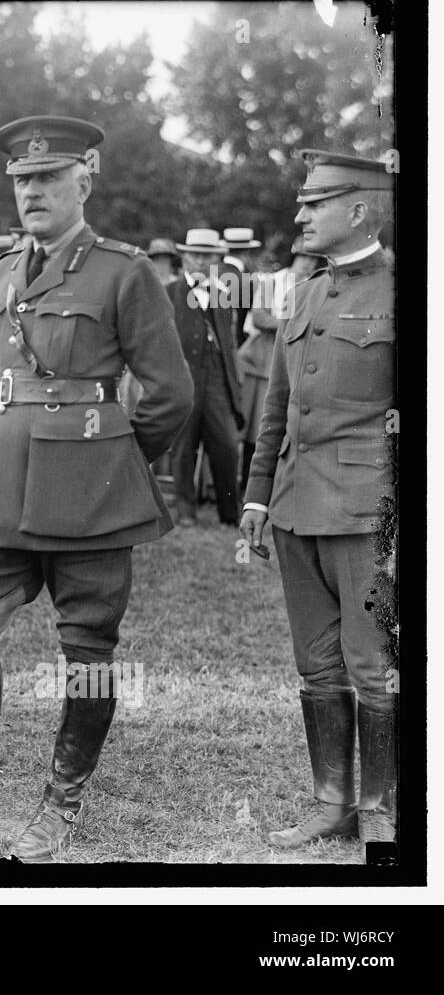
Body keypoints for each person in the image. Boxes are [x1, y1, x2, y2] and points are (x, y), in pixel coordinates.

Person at [0, 116, 194, 863]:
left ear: (84, 180)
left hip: (89, 503)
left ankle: (62, 803)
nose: (33, 193)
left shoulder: (124, 272)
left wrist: (113, 462)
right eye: (23, 182)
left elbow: (171, 394)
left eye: (48, 179)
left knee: (87, 650)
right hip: (2, 496)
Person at [240, 150, 397, 855]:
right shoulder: (303, 291)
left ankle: (387, 811)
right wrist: (255, 497)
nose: (299, 214)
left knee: (374, 665)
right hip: (298, 509)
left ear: (359, 210)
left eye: (315, 203)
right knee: (317, 665)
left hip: (370, 512)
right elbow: (275, 407)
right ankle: (331, 805)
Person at [167, 229, 244, 526]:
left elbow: (229, 342)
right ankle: (186, 512)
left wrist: (232, 382)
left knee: (226, 445)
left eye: (207, 256)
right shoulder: (169, 292)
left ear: (216, 260)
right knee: (183, 445)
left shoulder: (223, 295)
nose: (200, 261)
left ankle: (230, 514)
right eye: (195, 254)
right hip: (183, 377)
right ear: (184, 257)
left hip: (216, 378)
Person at [237, 235, 321, 493]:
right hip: (264, 358)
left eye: (312, 258)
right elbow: (259, 316)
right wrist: (292, 325)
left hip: (301, 357)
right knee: (258, 426)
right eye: (303, 257)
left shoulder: (316, 286)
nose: (307, 263)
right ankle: (248, 485)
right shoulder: (273, 281)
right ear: (293, 256)